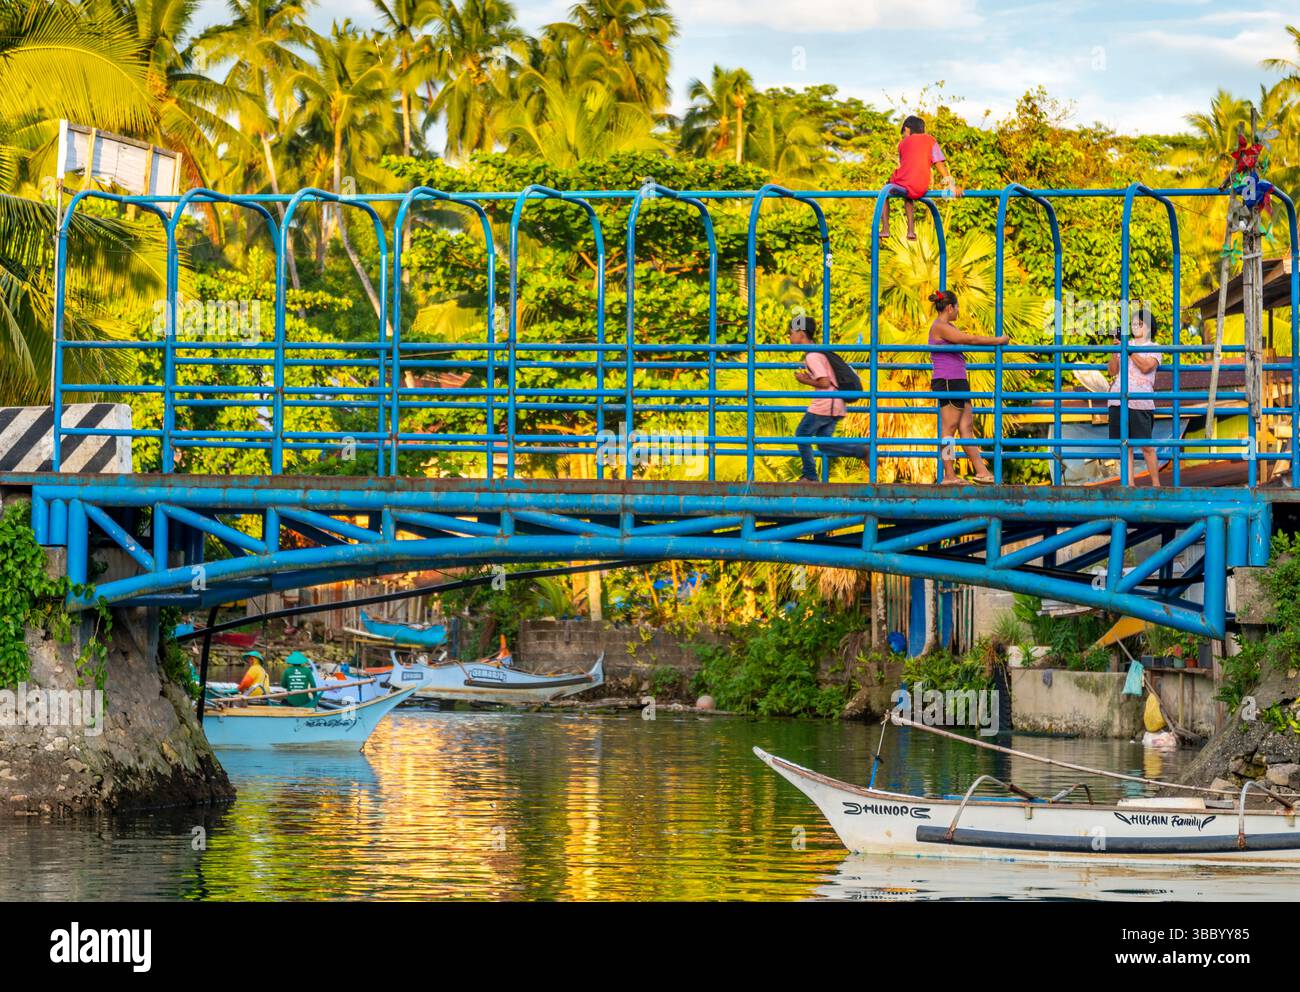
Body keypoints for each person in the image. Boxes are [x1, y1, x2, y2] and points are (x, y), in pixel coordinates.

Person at [928, 290, 1007, 484]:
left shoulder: (948, 326)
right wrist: (998, 341)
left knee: (966, 427)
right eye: (957, 307)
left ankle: (982, 471)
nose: (958, 311)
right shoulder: (940, 326)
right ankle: (949, 475)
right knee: (949, 428)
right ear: (949, 307)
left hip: (957, 380)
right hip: (948, 381)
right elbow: (969, 339)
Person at [789, 315, 866, 481]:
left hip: (825, 404)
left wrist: (804, 380)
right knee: (824, 444)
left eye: (791, 333)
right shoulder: (818, 351)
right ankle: (861, 451)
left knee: (802, 435)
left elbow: (824, 382)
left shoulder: (812, 356)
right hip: (835, 404)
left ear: (801, 334)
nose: (789, 337)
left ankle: (810, 476)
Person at [882, 115, 962, 241]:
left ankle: (885, 228)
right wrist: (951, 185)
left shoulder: (902, 144)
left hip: (904, 182)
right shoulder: (930, 140)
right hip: (921, 186)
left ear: (907, 129)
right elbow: (939, 163)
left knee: (884, 191)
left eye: (904, 134)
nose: (904, 137)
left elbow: (905, 166)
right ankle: (910, 231)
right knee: (907, 194)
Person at [1107, 307, 1162, 487]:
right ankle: (1129, 485)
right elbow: (1112, 371)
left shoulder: (1154, 348)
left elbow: (1146, 367)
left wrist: (1129, 350)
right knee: (1125, 445)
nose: (1136, 326)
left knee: (1146, 445)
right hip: (1118, 399)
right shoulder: (1125, 344)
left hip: (1140, 401)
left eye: (1140, 323)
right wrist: (1115, 351)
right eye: (1133, 323)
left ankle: (1156, 485)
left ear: (1149, 327)